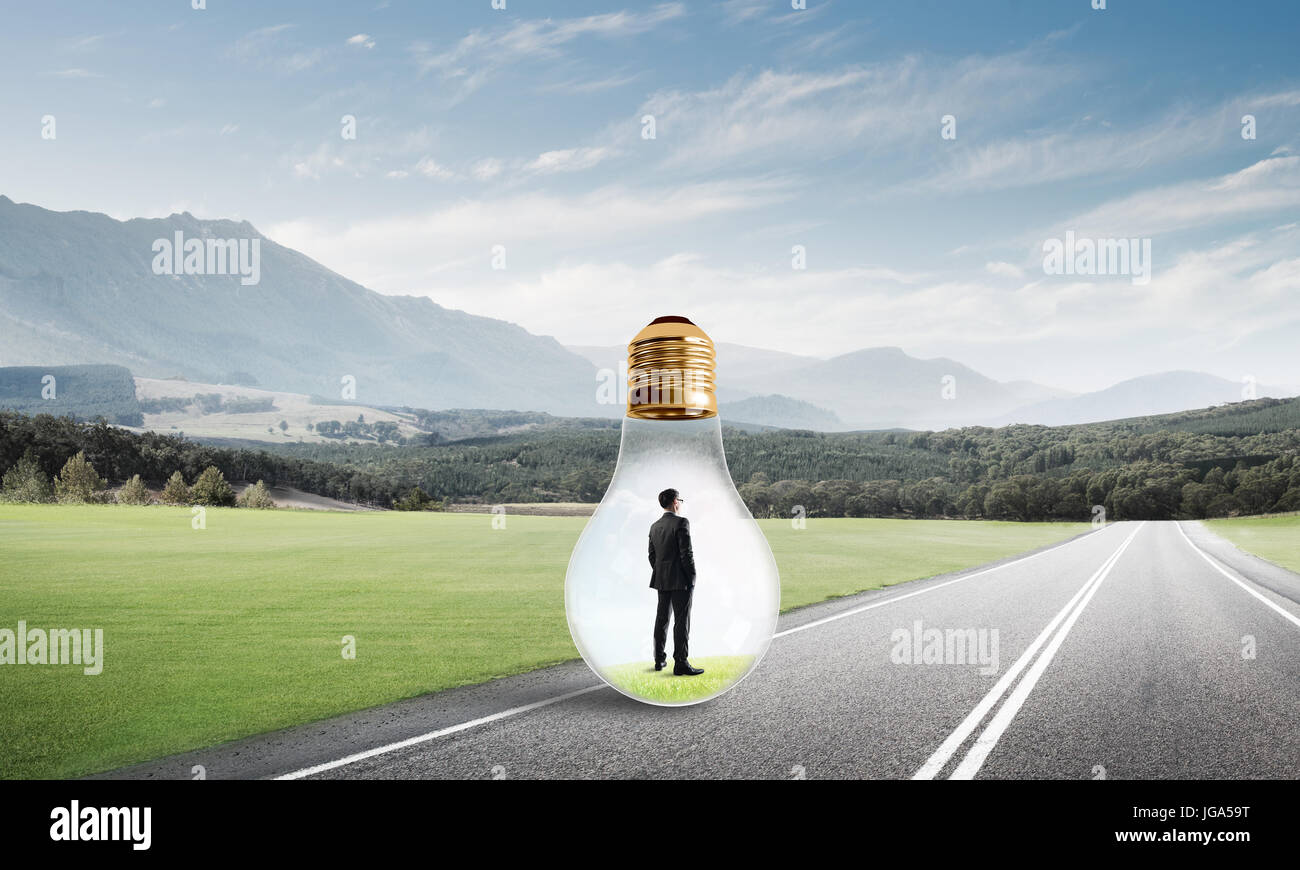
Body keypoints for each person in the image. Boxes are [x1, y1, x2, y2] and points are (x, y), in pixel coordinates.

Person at [648, 488, 703, 676]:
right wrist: (692, 576)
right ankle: (680, 662)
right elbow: (686, 553)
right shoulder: (681, 522)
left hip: (661, 580)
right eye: (679, 499)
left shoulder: (654, 526)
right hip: (681, 580)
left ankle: (659, 659)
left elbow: (652, 555)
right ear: (674, 502)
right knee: (681, 620)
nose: (679, 502)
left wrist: (661, 572)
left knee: (661, 619)